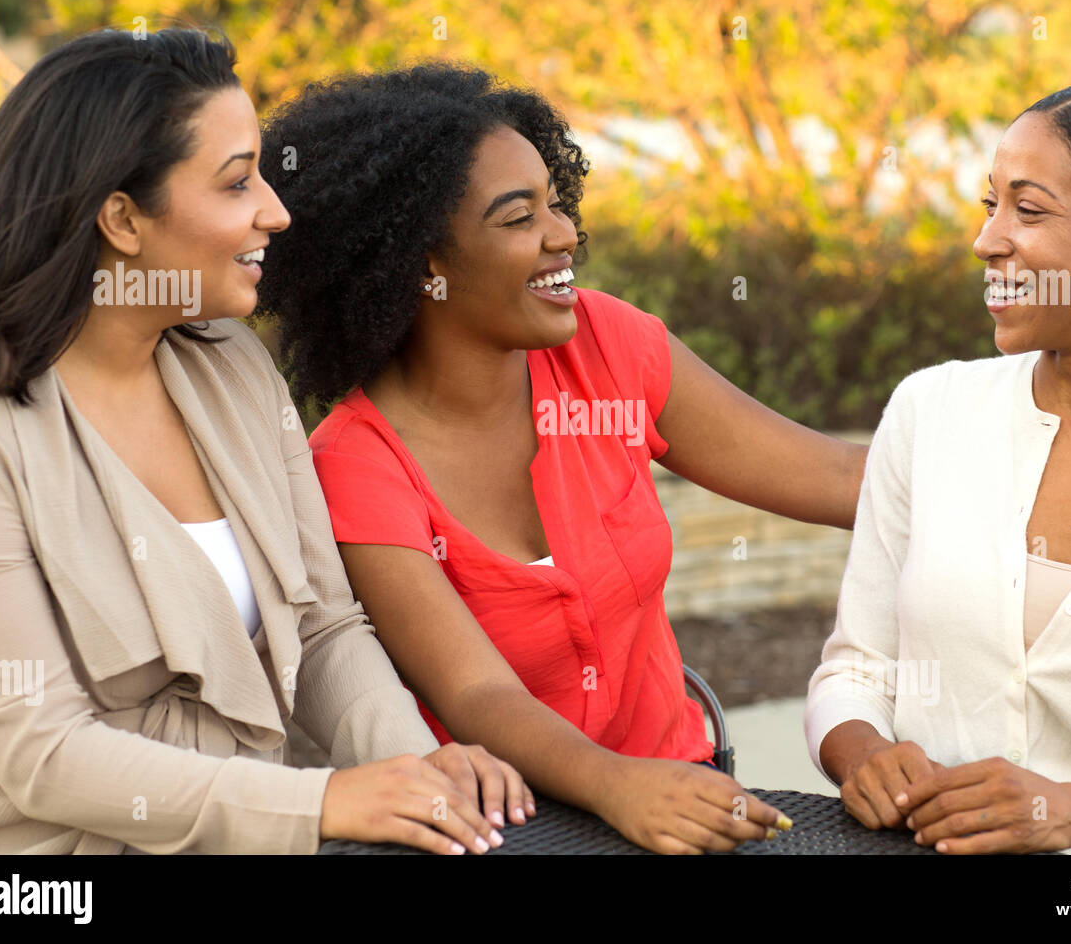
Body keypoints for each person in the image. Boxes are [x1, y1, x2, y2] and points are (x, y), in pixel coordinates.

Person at [254, 63, 869, 854]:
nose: (564, 234)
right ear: (424, 265)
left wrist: (1050, 478)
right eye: (518, 219)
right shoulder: (357, 465)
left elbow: (837, 477)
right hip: (511, 835)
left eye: (555, 201)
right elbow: (476, 693)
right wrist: (617, 785)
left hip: (692, 794)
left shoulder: (606, 346)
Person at [0, 28, 529, 855]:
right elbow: (44, 753)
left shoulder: (233, 367)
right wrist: (319, 805)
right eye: (235, 182)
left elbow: (326, 627)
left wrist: (422, 775)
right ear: (121, 219)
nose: (275, 211)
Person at [805, 81, 1071, 855]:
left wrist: (1070, 814)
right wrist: (863, 754)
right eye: (989, 205)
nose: (987, 241)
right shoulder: (931, 411)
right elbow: (858, 670)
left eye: (1028, 210)